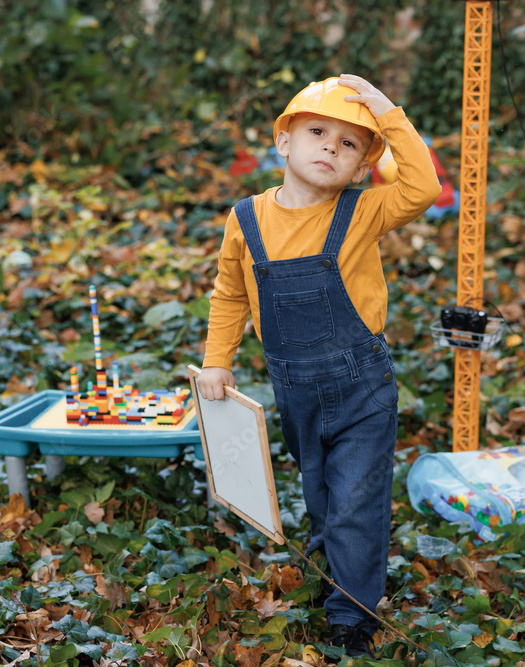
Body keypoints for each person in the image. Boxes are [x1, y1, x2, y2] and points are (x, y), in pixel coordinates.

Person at [196, 74, 441, 656]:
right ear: (283, 141)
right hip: (295, 389)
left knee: (356, 499)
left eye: (349, 143)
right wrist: (216, 361)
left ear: (361, 168)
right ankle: (331, 571)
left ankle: (352, 616)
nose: (331, 146)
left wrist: (387, 114)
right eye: (317, 132)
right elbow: (230, 292)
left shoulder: (364, 212)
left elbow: (424, 186)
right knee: (322, 495)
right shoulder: (246, 219)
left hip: (362, 387)